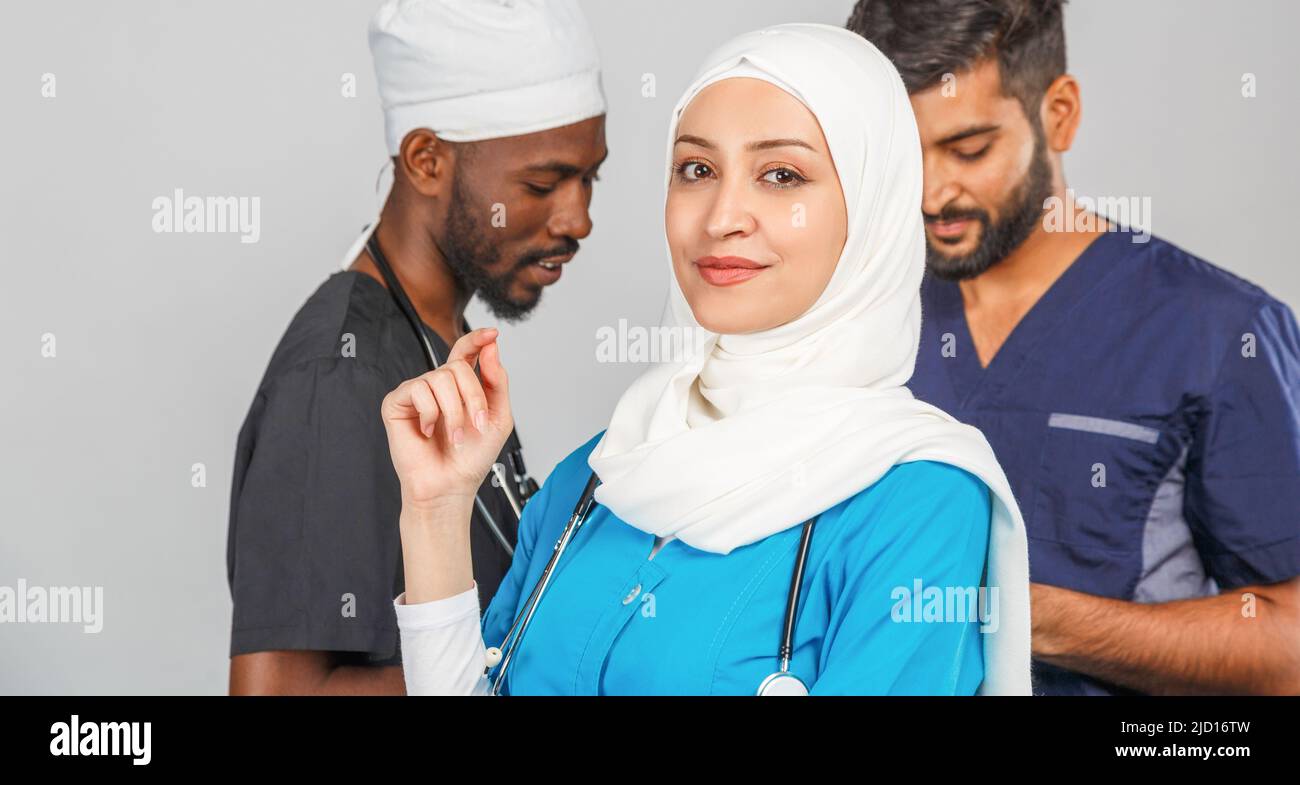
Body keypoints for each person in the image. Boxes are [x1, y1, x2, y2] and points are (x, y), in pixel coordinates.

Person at [382, 23, 1033, 695]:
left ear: (871, 209)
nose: (722, 216)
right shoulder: (603, 471)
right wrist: (434, 512)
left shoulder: (919, 503)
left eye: (781, 175)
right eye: (697, 170)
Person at [847, 0, 1300, 695]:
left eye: (969, 149)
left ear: (1057, 113)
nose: (933, 193)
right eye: (903, 156)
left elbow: (1289, 644)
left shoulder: (1217, 330)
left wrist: (1024, 616)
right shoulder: (854, 318)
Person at [225, 0, 608, 695]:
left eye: (591, 178)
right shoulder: (340, 375)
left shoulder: (444, 340)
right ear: (426, 160)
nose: (578, 217)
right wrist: (528, 665)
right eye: (542, 183)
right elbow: (274, 694)